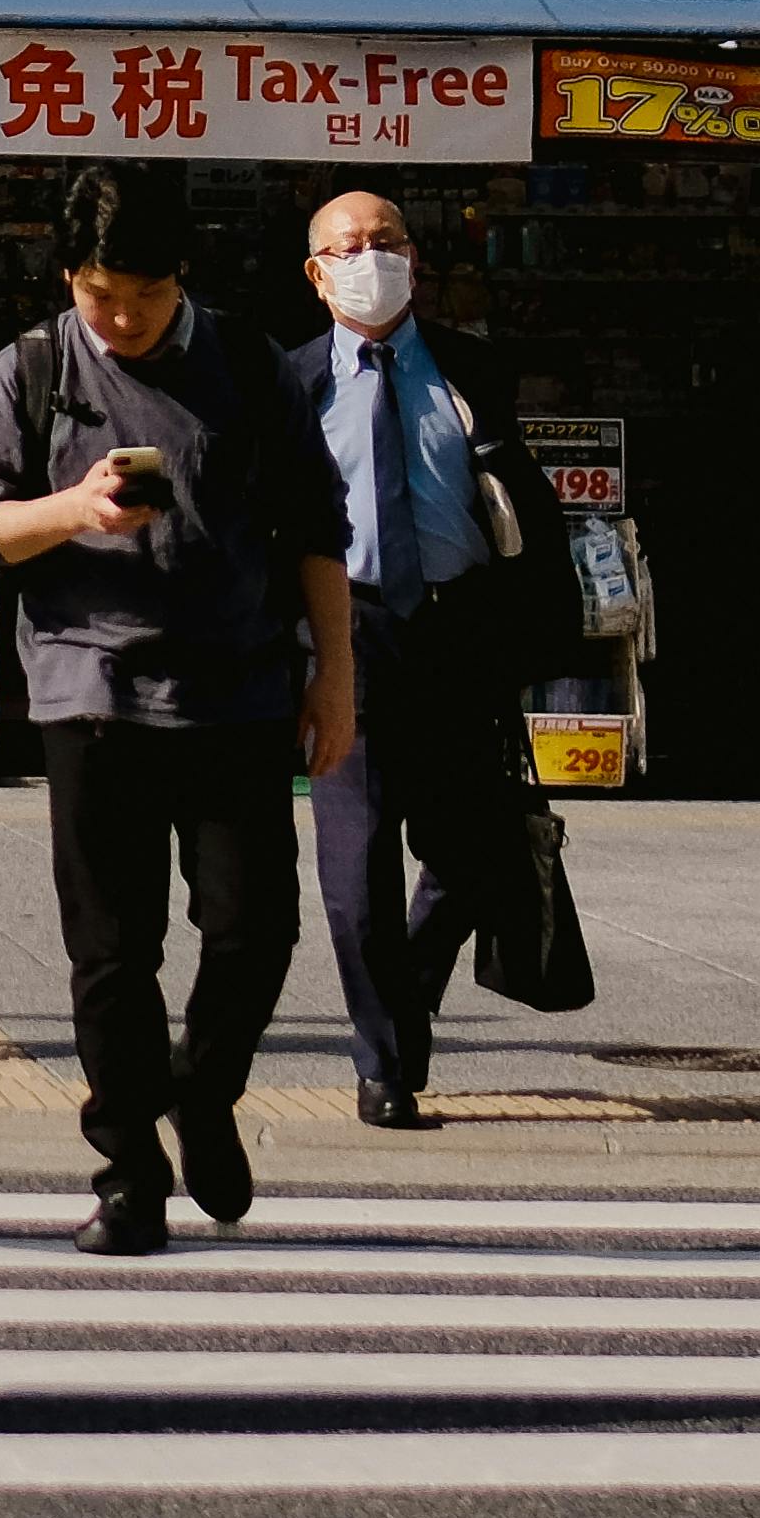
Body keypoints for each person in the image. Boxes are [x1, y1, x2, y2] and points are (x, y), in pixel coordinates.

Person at [0, 164, 359, 1253]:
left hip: (236, 693)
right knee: (112, 952)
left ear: (181, 277)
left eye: (143, 295)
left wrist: (335, 676)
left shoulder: (247, 365)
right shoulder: (29, 370)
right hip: (91, 694)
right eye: (97, 294)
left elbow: (317, 526)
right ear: (67, 279)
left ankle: (201, 1085)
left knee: (256, 925)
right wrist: (69, 510)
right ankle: (127, 1168)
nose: (119, 318)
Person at [293, 186, 550, 1128]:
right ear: (317, 275)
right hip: (348, 631)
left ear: (415, 256)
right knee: (355, 870)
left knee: (474, 850)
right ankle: (383, 1064)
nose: (372, 256)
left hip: (458, 630)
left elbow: (518, 504)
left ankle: (401, 1000)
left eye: (387, 239)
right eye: (349, 245)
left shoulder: (472, 369)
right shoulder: (295, 383)